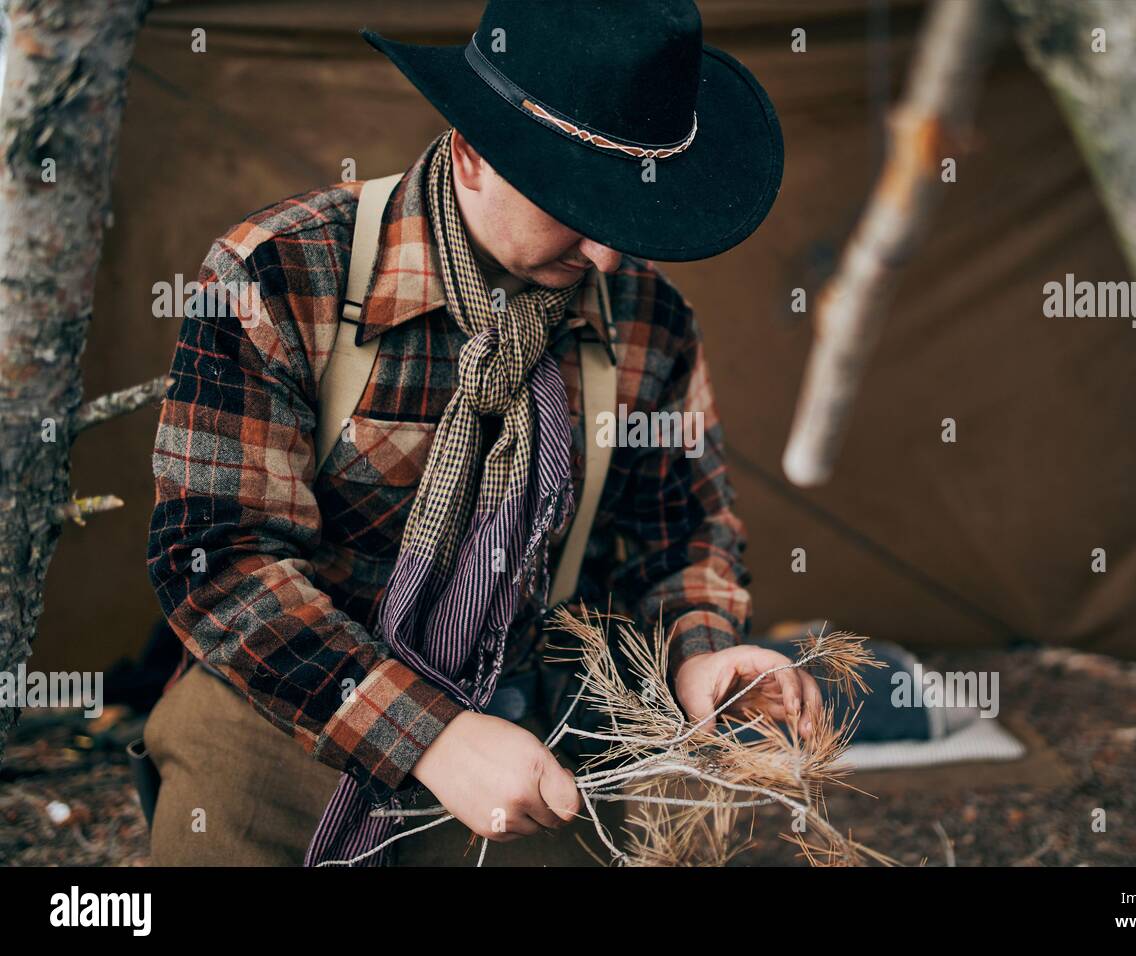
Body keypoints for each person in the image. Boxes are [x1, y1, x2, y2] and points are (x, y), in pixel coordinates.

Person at [143, 0, 819, 866]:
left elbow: (678, 537)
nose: (608, 256)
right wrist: (432, 737)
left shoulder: (649, 318)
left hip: (521, 726)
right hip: (285, 707)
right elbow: (220, 563)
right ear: (471, 154)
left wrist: (703, 656)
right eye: (579, 202)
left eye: (629, 216)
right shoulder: (280, 270)